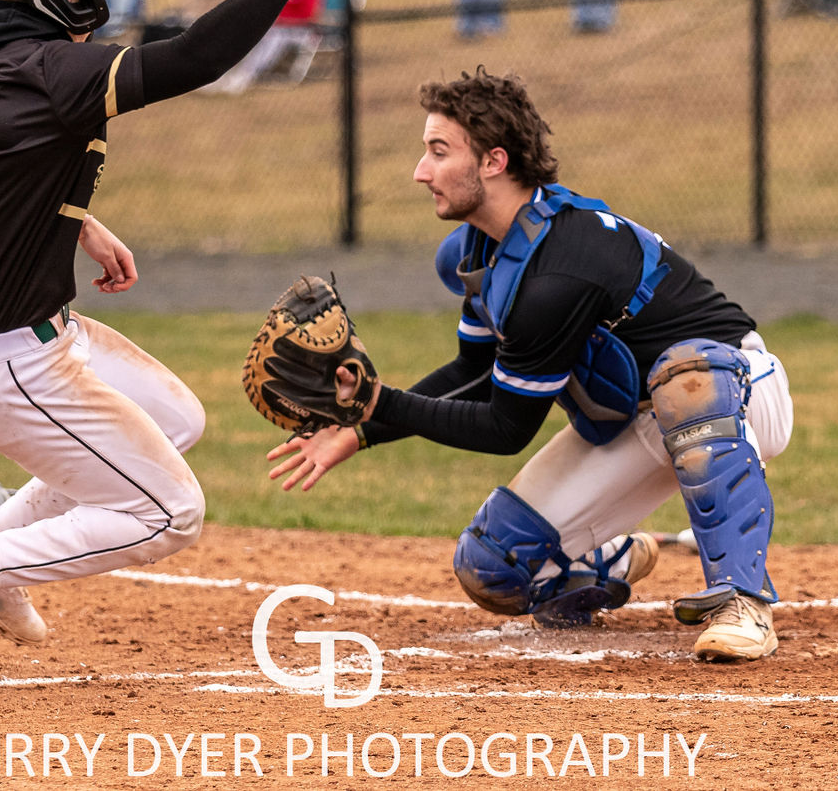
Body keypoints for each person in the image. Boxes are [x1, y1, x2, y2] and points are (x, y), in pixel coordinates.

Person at [0, 0, 361, 675]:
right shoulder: (47, 72)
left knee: (176, 420)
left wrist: (77, 221)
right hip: (13, 363)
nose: (101, 5)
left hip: (16, 340)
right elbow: (198, 56)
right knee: (174, 511)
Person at [266, 67, 795, 663]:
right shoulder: (483, 245)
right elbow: (473, 371)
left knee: (686, 378)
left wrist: (379, 400)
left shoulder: (557, 271)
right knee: (495, 566)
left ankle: (744, 604)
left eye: (439, 152)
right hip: (634, 417)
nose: (420, 172)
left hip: (736, 394)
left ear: (494, 161)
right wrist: (362, 428)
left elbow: (506, 429)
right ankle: (611, 559)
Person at [211, 0, 323, 92]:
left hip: (299, 30)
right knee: (241, 33)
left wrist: (277, 20)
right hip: (273, 27)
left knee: (270, 36)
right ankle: (223, 73)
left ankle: (245, 76)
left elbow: (309, 14)